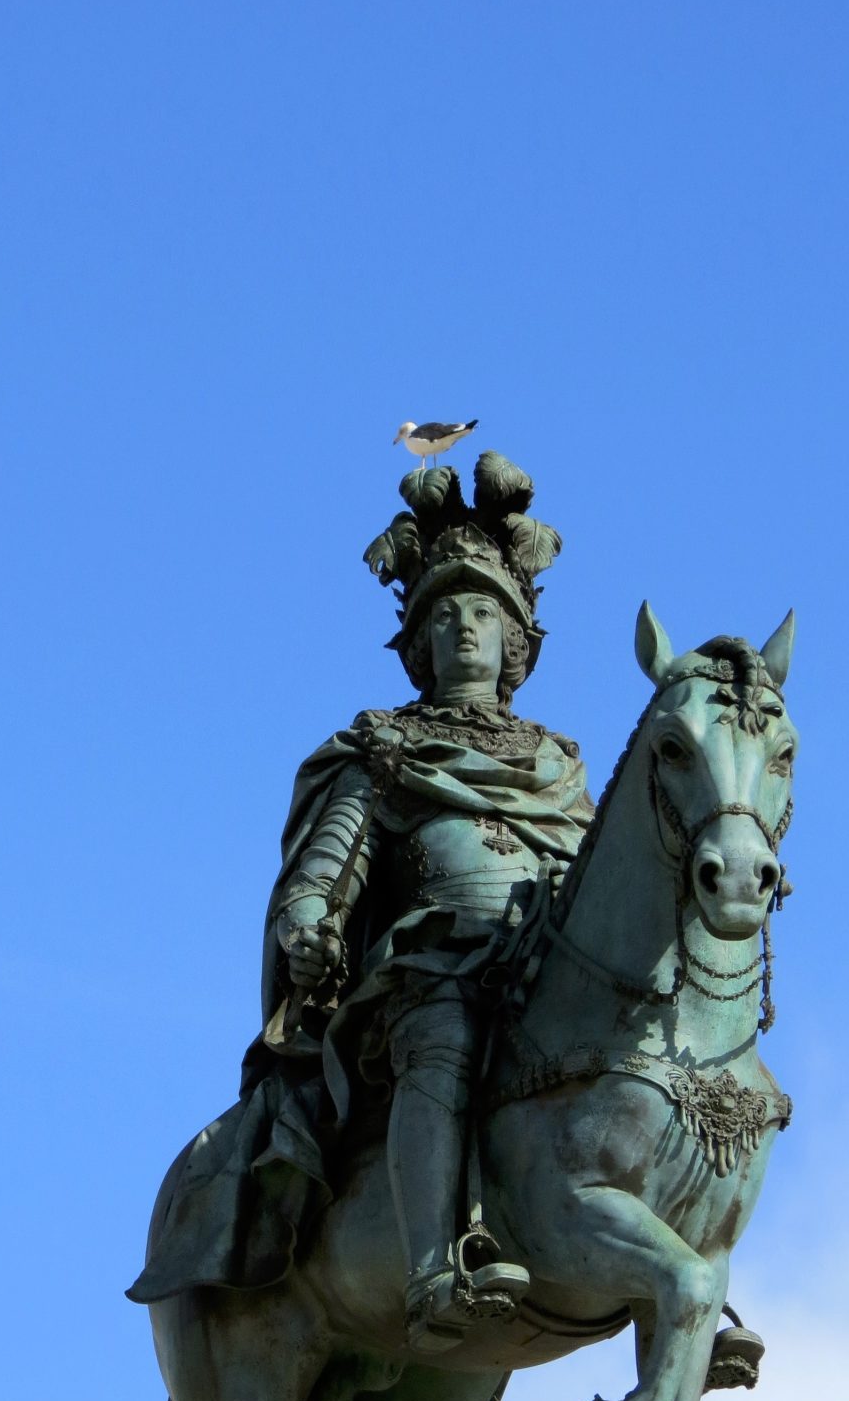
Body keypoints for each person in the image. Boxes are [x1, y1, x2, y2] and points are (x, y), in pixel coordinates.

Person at [129, 453, 592, 1349]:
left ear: (514, 641)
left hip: (540, 963)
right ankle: (433, 1265)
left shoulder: (560, 767)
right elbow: (321, 875)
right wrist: (309, 931)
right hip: (430, 968)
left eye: (483, 613)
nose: (464, 628)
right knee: (443, 1032)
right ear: (419, 643)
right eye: (445, 614)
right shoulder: (380, 750)